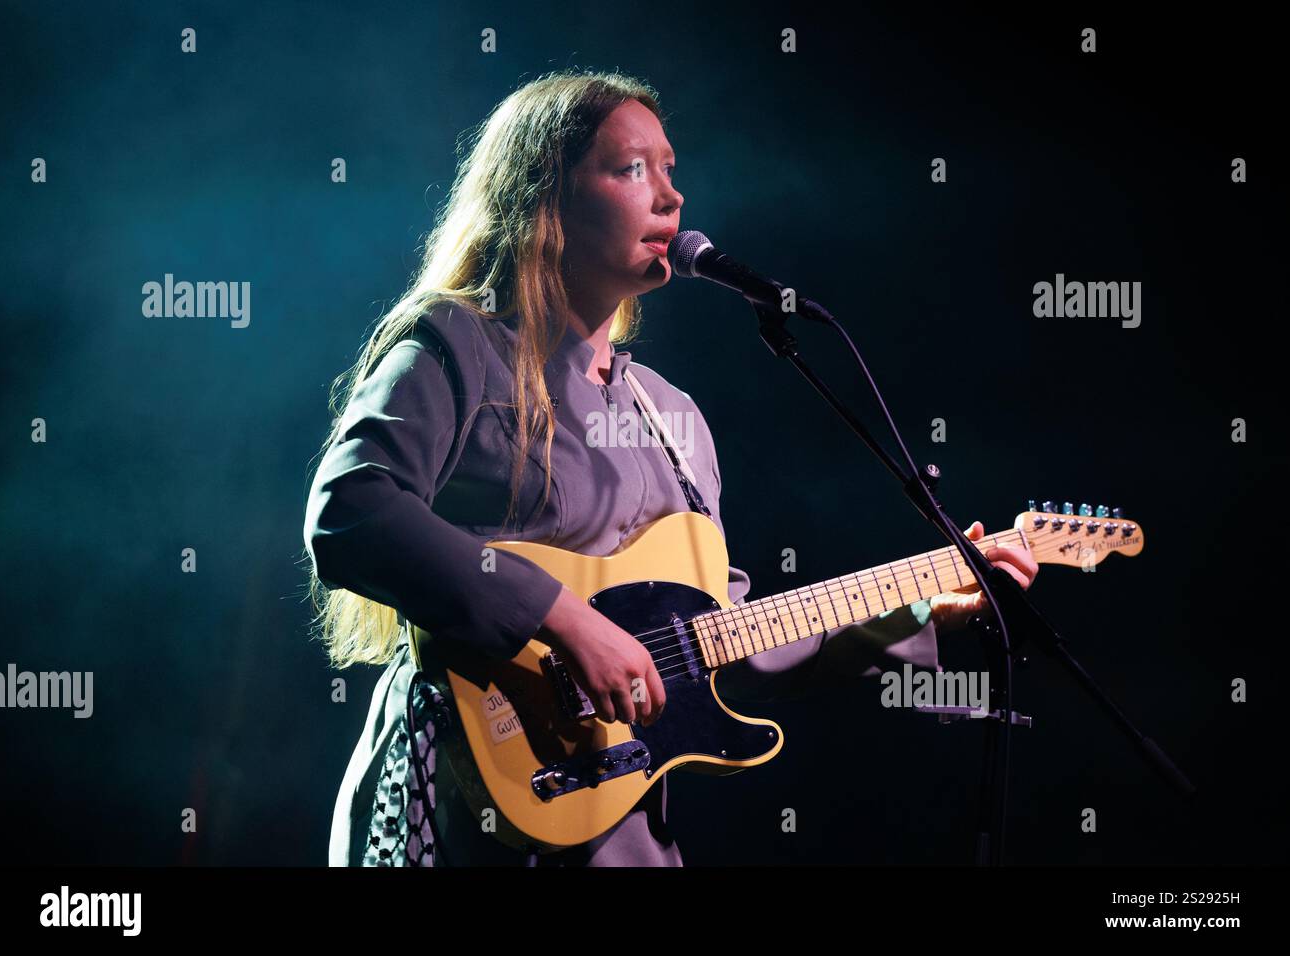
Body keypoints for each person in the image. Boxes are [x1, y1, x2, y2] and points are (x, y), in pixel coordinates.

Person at [302, 69, 1038, 867]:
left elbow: (726, 639)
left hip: (619, 816)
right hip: (467, 789)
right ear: (544, 198)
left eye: (671, 171)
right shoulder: (458, 344)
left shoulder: (671, 413)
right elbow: (353, 510)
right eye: (631, 169)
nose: (671, 198)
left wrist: (925, 607)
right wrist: (568, 618)